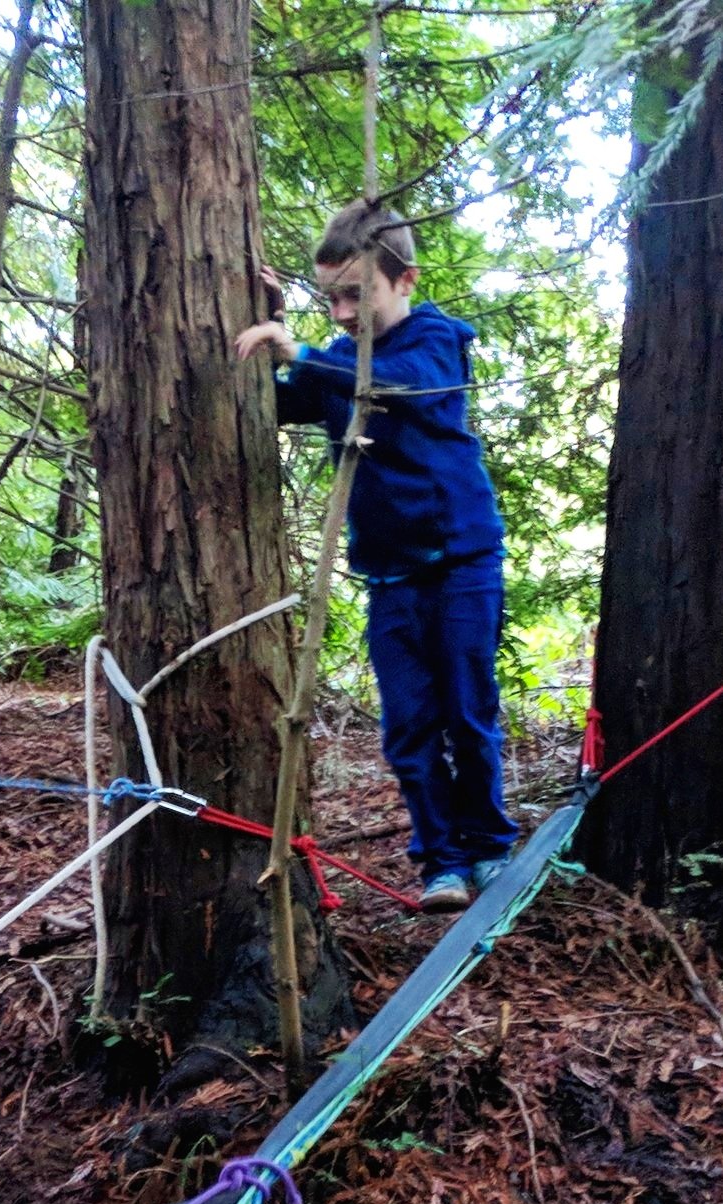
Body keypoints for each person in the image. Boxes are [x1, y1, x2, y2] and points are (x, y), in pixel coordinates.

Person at [234, 200, 518, 914]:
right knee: (409, 725)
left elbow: (398, 389)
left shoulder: (437, 341)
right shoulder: (335, 359)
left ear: (405, 280)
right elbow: (283, 404)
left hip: (461, 564)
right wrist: (265, 323)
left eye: (357, 294)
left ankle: (488, 845)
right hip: (390, 576)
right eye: (330, 297)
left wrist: (300, 352)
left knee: (467, 710)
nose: (341, 312)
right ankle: (441, 862)